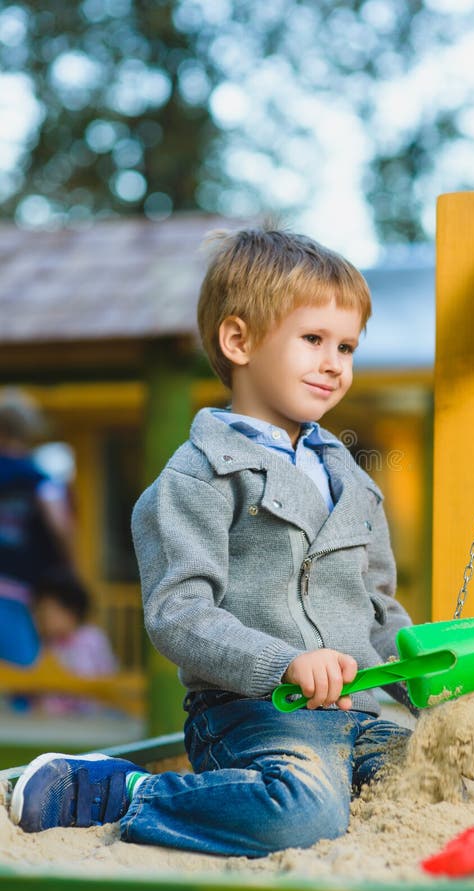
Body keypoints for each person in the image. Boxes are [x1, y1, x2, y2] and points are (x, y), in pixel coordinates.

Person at [9, 227, 415, 856]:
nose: (335, 363)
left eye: (347, 346)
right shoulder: (199, 476)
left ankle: (271, 794)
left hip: (353, 716)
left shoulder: (352, 479)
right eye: (313, 340)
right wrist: (282, 661)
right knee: (301, 816)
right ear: (239, 340)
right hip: (249, 713)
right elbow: (179, 613)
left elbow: (377, 608)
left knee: (435, 777)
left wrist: (420, 675)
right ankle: (122, 792)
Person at [0, 389, 74, 667]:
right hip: (17, 591)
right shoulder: (37, 478)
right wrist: (70, 564)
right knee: (22, 678)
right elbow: (59, 523)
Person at [31, 566, 118, 713]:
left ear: (71, 611)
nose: (41, 620)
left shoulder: (91, 638)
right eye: (39, 613)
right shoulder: (49, 645)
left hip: (93, 711)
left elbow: (101, 676)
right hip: (60, 716)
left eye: (47, 612)